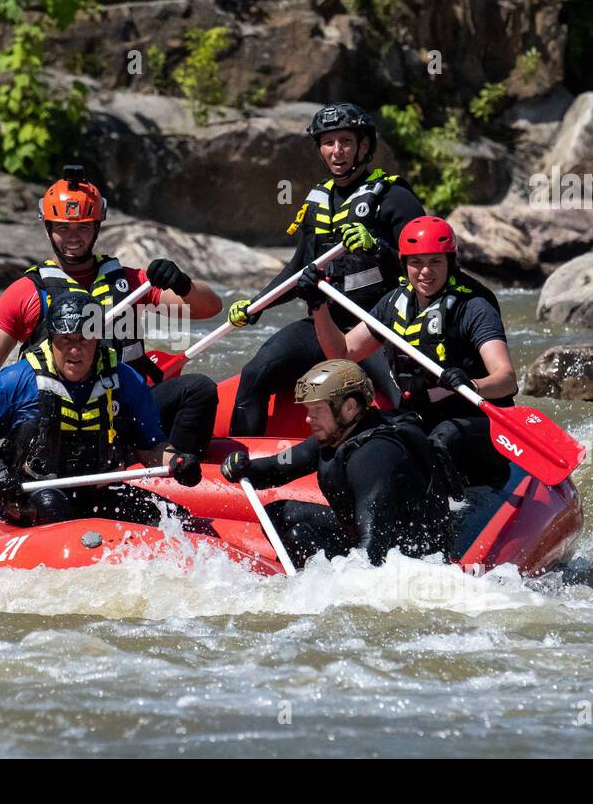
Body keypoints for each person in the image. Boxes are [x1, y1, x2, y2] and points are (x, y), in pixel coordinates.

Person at [0, 165, 223, 457]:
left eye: (83, 227)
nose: (73, 237)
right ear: (49, 229)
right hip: (59, 417)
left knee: (198, 389)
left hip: (125, 408)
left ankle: (176, 470)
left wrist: (182, 282)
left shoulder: (131, 283)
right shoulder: (26, 292)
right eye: (63, 228)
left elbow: (211, 308)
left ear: (97, 228)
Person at [227, 102, 426, 435]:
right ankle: (241, 462)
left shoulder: (395, 198)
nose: (338, 151)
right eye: (328, 143)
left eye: (346, 141)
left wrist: (377, 248)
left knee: (403, 396)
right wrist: (256, 305)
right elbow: (298, 269)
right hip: (325, 324)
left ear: (363, 145)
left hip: (379, 326)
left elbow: (426, 270)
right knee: (255, 373)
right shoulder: (316, 201)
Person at [299, 214, 517, 491]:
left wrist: (471, 384)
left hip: (476, 424)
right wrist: (318, 307)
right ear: (404, 263)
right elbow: (342, 353)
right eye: (416, 262)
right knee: (352, 430)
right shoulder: (394, 303)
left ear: (450, 261)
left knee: (444, 437)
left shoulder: (474, 306)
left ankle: (448, 509)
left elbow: (507, 378)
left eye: (435, 261)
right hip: (420, 416)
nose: (425, 272)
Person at [0, 293, 202, 528]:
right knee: (53, 506)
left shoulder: (126, 381)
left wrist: (178, 460)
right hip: (29, 491)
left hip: (96, 490)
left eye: (85, 338)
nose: (75, 350)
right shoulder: (16, 380)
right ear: (52, 340)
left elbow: (151, 450)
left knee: (175, 519)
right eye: (66, 340)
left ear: (98, 338)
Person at [220, 359, 452, 567]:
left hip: (407, 554)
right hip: (367, 531)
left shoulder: (374, 458)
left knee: (299, 537)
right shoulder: (336, 436)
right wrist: (242, 467)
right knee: (278, 513)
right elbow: (274, 469)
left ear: (349, 407)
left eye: (318, 410)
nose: (309, 419)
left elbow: (373, 551)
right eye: (309, 409)